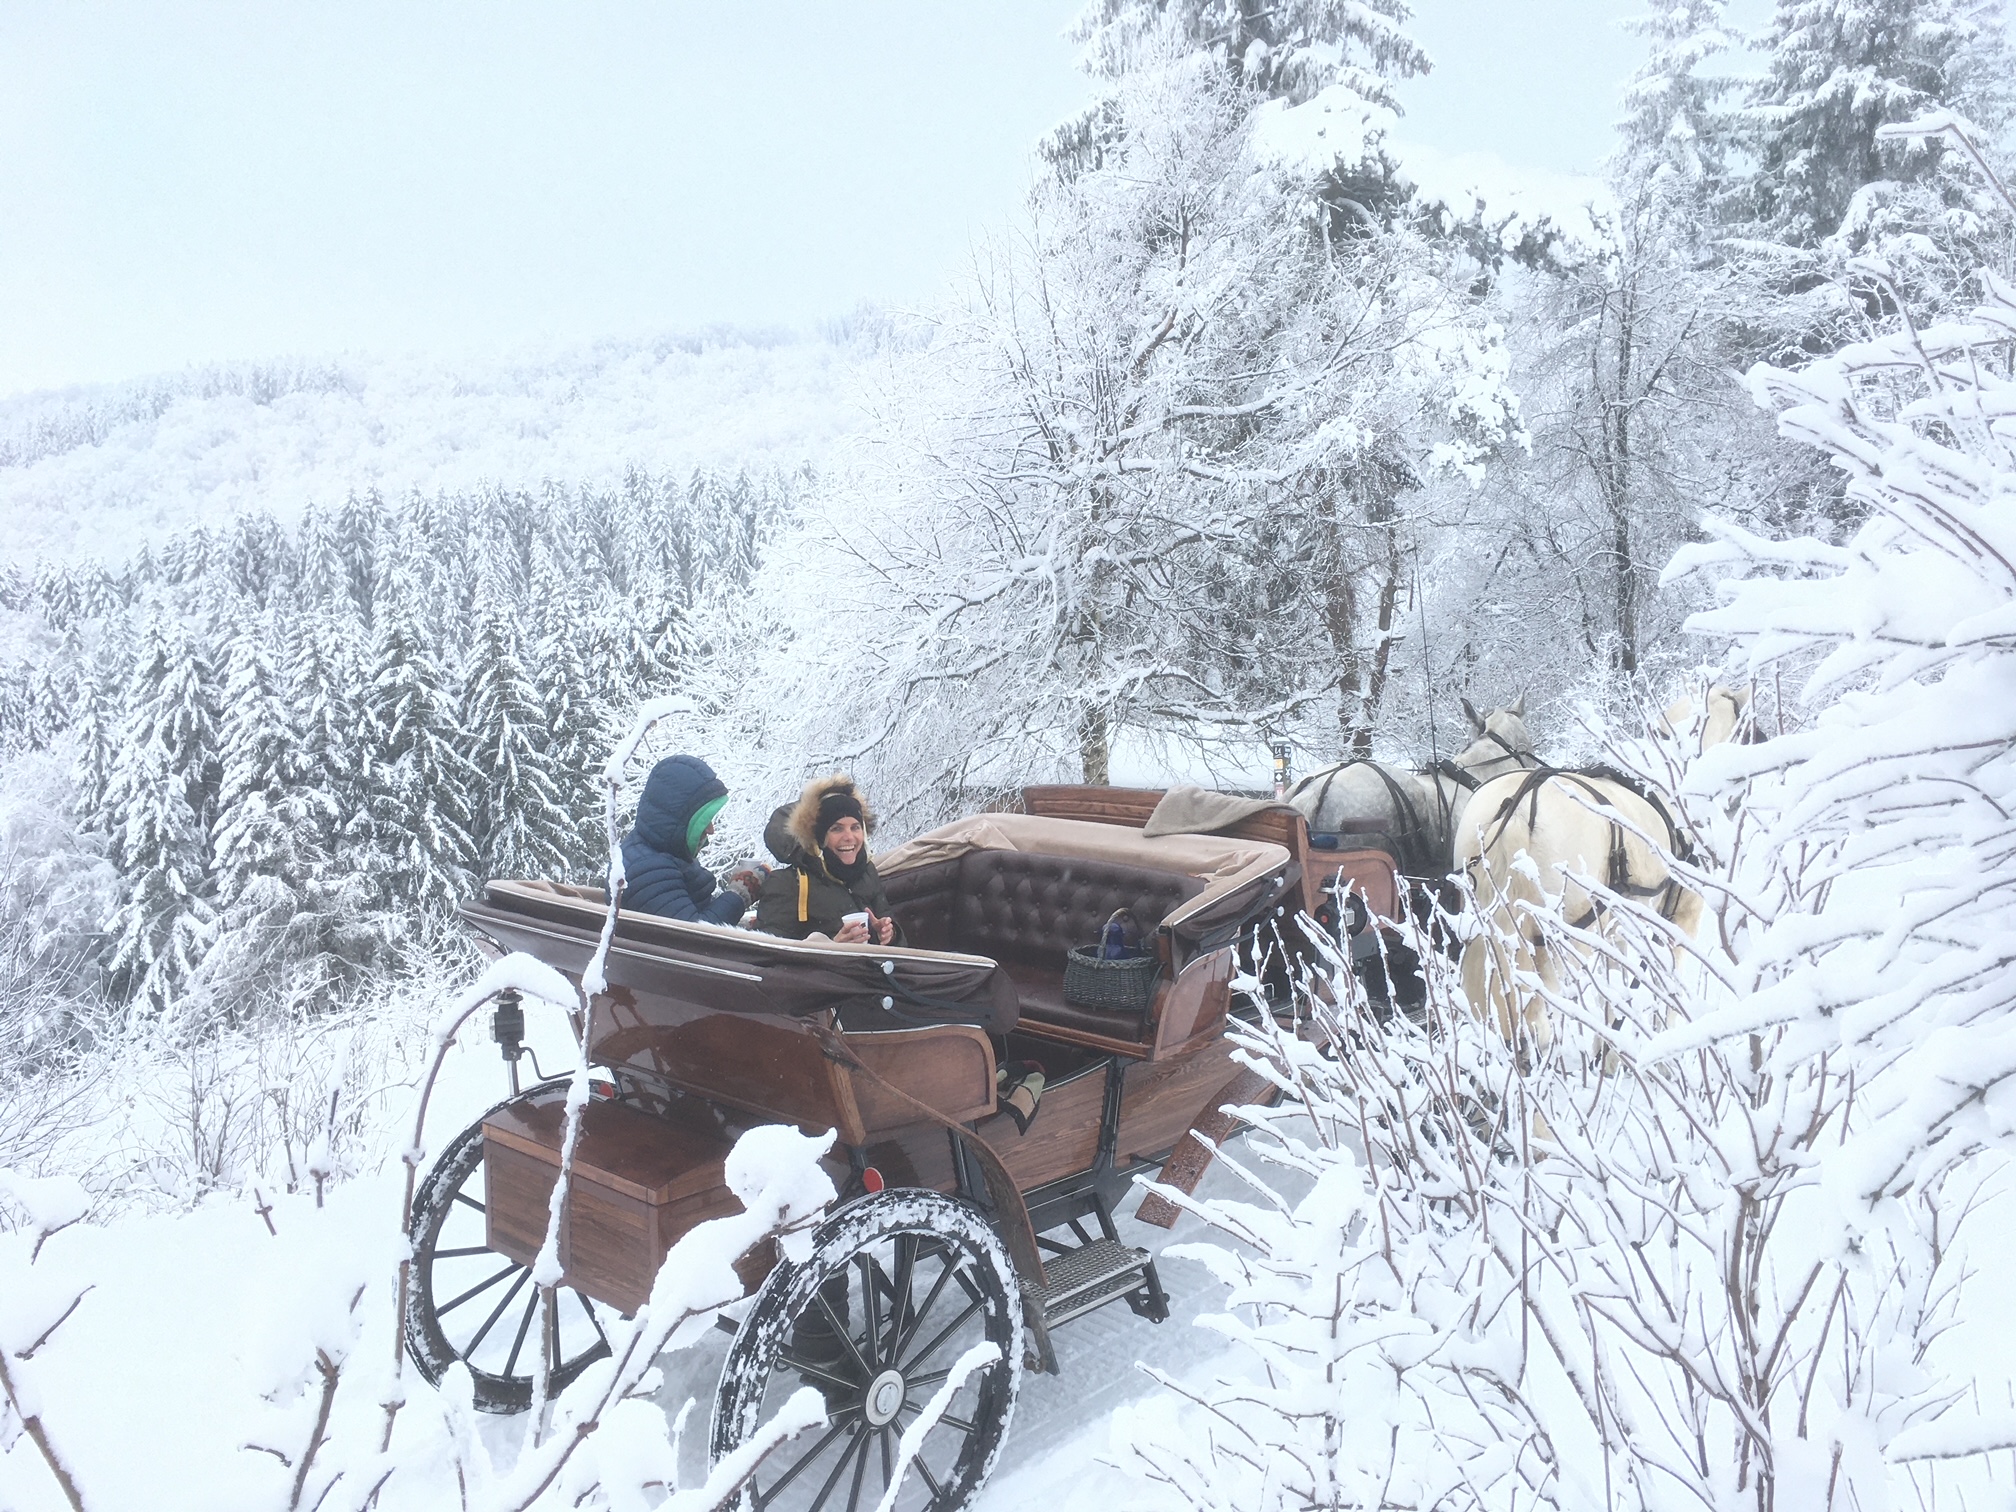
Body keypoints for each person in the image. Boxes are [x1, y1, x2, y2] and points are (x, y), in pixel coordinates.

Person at [755, 774, 903, 945]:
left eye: (855, 827)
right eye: (836, 829)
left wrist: (889, 935)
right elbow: (770, 957)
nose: (849, 837)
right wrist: (833, 947)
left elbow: (900, 947)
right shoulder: (786, 884)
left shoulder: (867, 873)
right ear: (818, 837)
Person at [620, 755, 762, 925]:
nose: (711, 829)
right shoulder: (648, 870)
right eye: (704, 820)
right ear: (680, 820)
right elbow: (695, 936)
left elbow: (687, 912)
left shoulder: (661, 854)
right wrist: (739, 895)